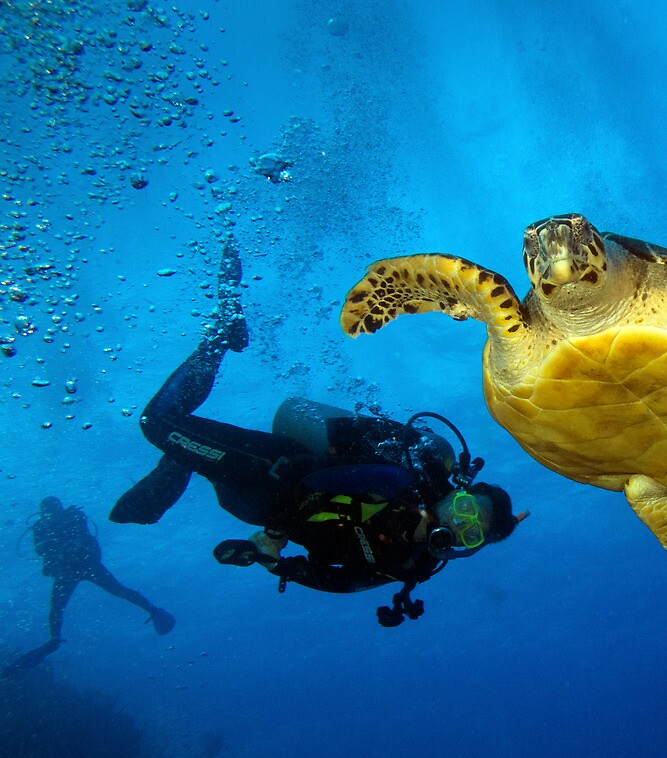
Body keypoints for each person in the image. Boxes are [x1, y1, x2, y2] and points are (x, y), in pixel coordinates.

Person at [109, 237, 526, 626]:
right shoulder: (403, 481)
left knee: (195, 454)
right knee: (158, 423)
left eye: (470, 533)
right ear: (462, 490)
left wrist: (277, 562)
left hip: (253, 506)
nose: (459, 522)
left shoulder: (410, 564)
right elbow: (314, 484)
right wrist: (278, 532)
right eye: (468, 509)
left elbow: (342, 582)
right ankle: (221, 337)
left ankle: (182, 461)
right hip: (272, 469)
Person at [2, 496, 175, 678]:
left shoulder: (72, 516)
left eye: (53, 508)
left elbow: (76, 537)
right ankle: (54, 640)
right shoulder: (44, 525)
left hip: (78, 567)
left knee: (63, 607)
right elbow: (41, 549)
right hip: (79, 568)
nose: (52, 511)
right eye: (50, 509)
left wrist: (60, 541)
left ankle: (53, 640)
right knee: (114, 593)